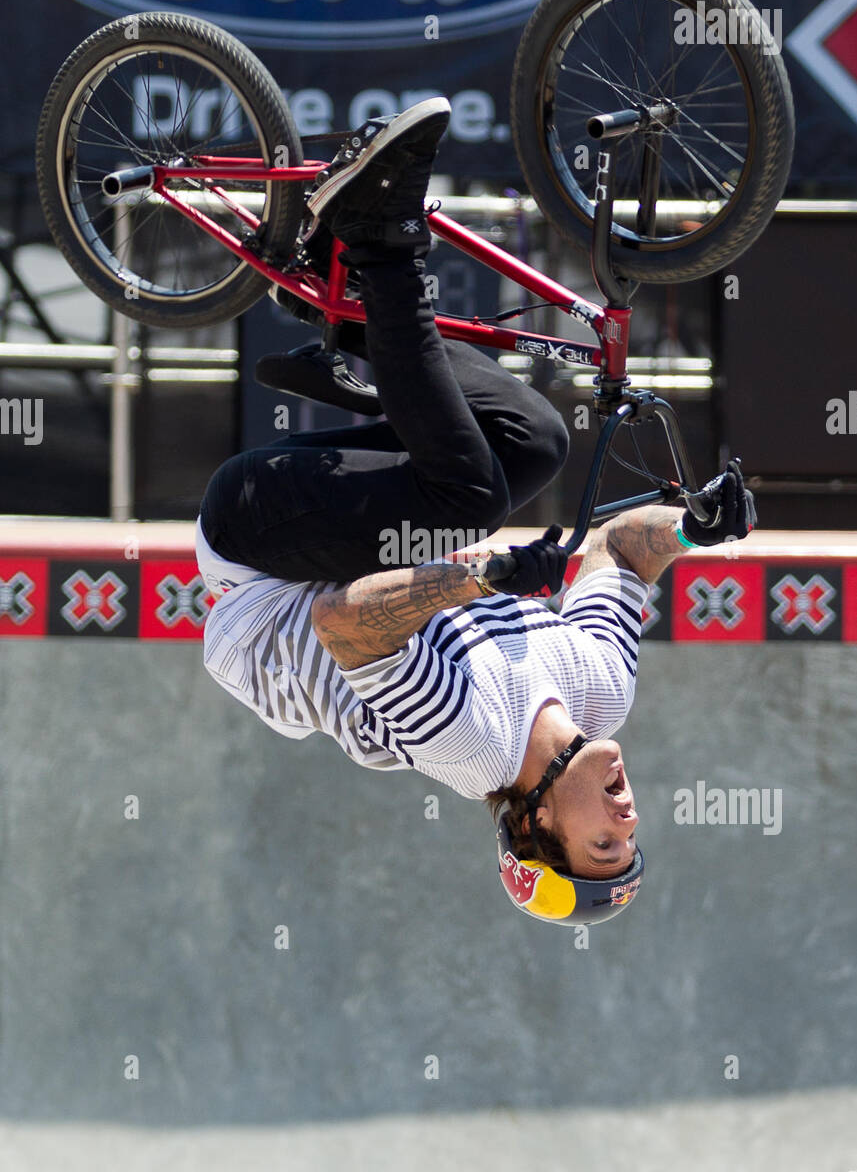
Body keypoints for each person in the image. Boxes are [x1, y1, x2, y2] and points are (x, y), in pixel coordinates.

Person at [196, 99, 756, 927]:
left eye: (604, 843)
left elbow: (344, 625)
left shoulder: (473, 747)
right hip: (336, 546)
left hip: (263, 565)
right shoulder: (601, 695)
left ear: (534, 827)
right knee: (534, 440)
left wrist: (479, 577)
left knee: (466, 499)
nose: (628, 817)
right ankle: (335, 292)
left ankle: (378, 231)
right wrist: (690, 531)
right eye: (630, 839)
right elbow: (619, 555)